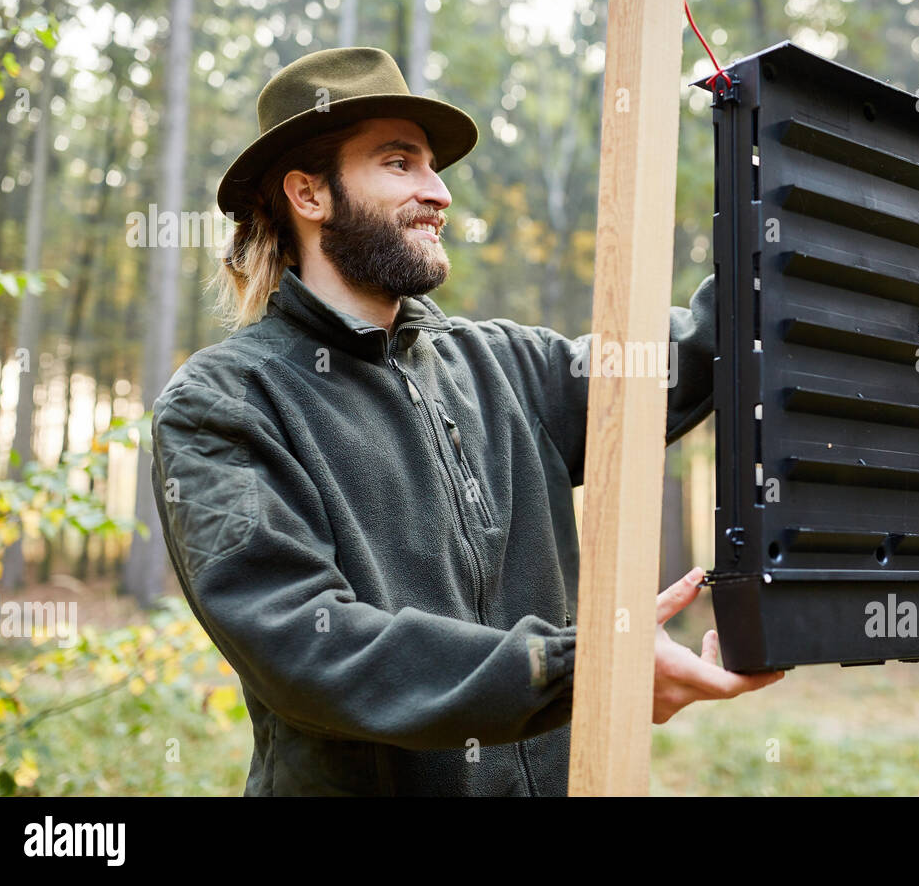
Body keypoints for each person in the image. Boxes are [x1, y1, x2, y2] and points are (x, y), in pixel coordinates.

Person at [149, 46, 783, 796]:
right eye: (399, 163)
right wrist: (577, 669)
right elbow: (304, 649)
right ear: (309, 194)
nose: (438, 192)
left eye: (433, 167)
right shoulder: (223, 403)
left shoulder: (506, 366)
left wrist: (780, 222)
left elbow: (692, 355)